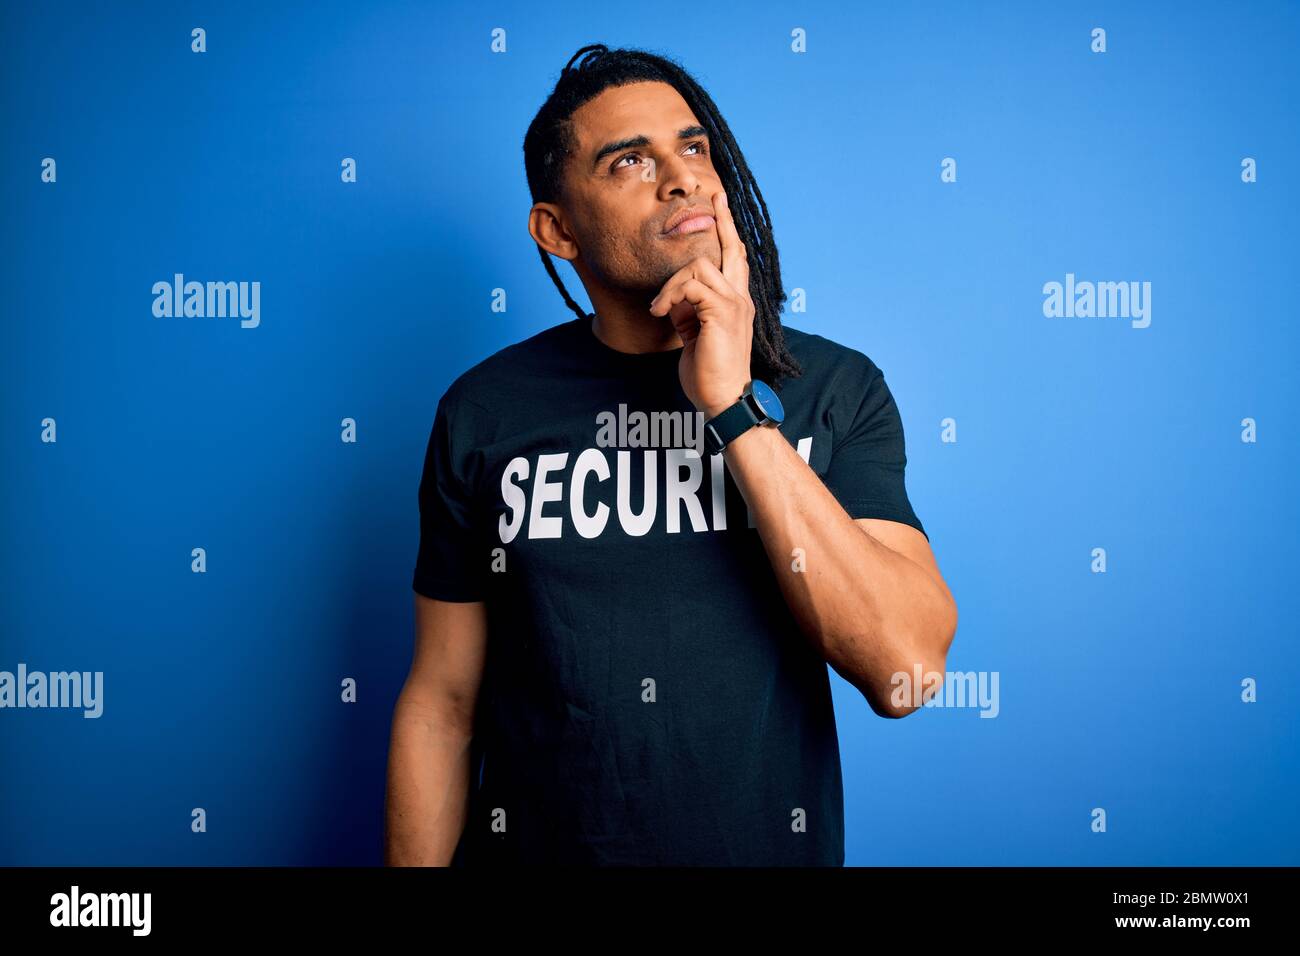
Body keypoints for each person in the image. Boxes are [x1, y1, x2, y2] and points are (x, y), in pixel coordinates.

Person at [385, 44, 957, 866]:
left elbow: (906, 666)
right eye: (629, 162)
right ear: (557, 229)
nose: (682, 177)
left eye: (693, 148)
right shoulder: (485, 411)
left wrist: (732, 406)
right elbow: (441, 703)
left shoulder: (834, 387)